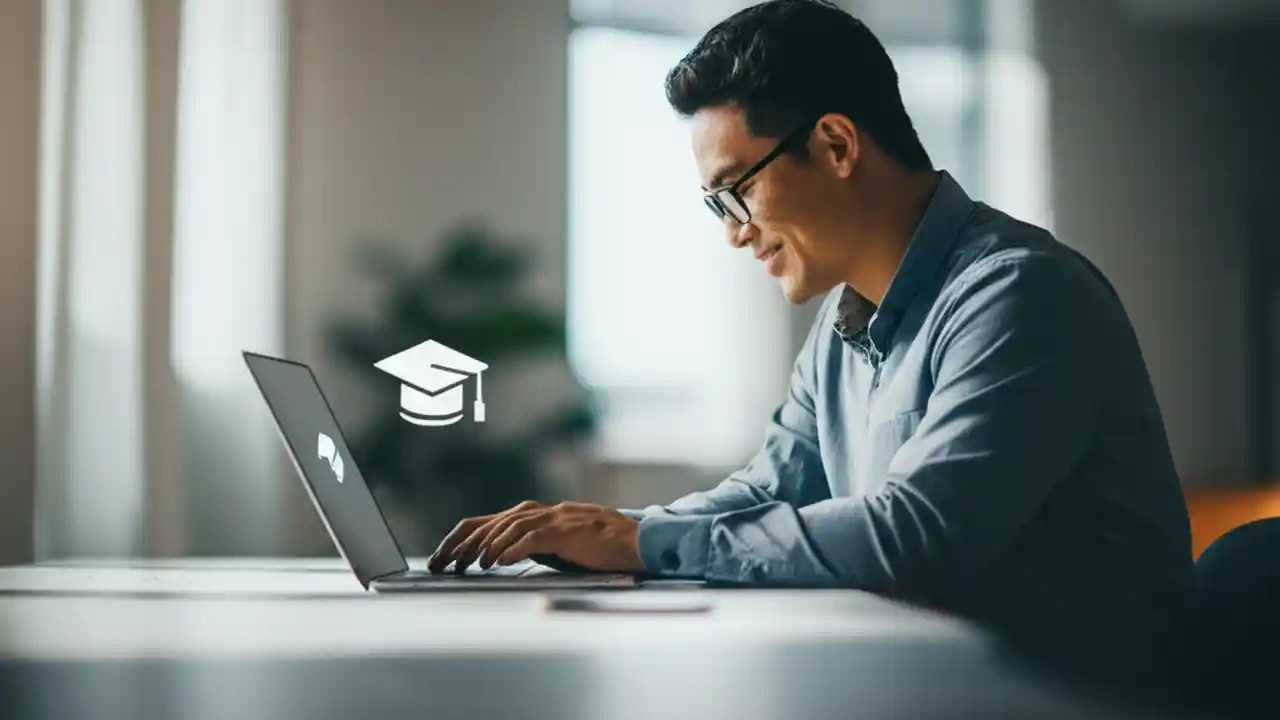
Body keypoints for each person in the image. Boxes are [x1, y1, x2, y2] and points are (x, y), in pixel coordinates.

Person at [427, 0, 1192, 681]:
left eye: (738, 190)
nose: (734, 232)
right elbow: (768, 490)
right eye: (714, 205)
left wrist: (641, 540)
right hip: (934, 684)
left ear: (834, 145)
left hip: (1077, 698)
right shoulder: (844, 322)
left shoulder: (1020, 293)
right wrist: (604, 535)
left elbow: (915, 537)